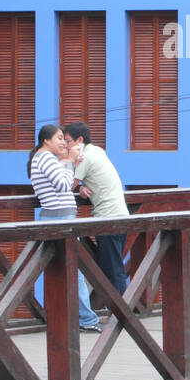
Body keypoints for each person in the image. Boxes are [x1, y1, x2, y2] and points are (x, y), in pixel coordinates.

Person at [27, 124, 101, 333]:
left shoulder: (43, 159)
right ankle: (86, 319)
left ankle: (71, 318)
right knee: (71, 271)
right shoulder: (46, 158)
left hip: (58, 218)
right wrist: (69, 162)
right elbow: (63, 185)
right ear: (46, 140)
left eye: (64, 139)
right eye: (59, 138)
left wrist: (67, 163)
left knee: (63, 270)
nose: (63, 142)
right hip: (59, 220)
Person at [63, 120, 129, 295]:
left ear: (79, 140)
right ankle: (121, 314)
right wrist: (82, 185)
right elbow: (93, 176)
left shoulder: (85, 158)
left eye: (68, 141)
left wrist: (68, 161)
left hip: (108, 218)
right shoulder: (98, 151)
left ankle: (122, 317)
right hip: (121, 215)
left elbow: (65, 185)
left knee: (113, 271)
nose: (66, 145)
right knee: (113, 267)